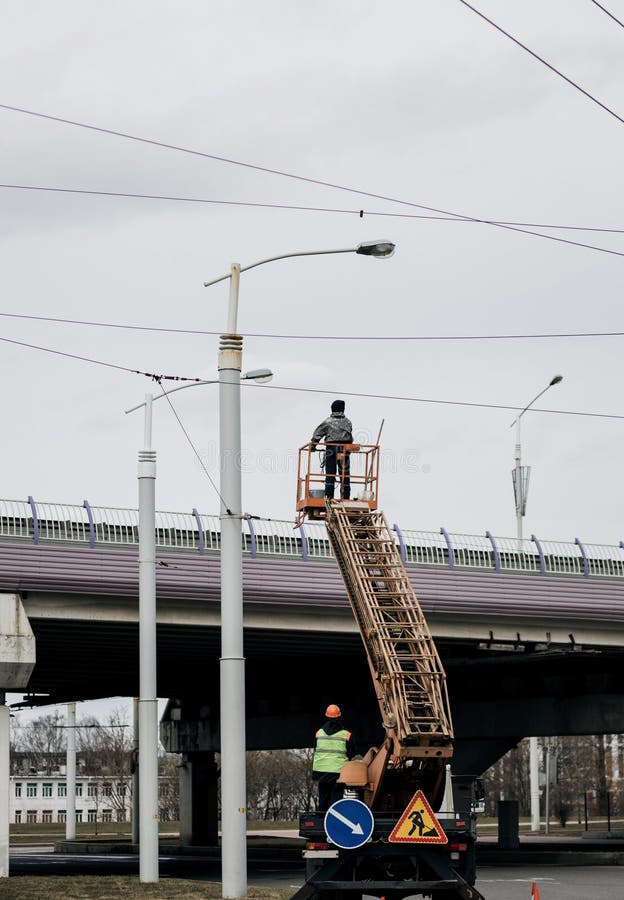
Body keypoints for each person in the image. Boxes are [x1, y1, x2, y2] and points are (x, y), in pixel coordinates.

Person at [312, 703, 355, 812]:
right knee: (336, 800)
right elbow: (352, 753)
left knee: (323, 798)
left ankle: (321, 819)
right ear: (339, 716)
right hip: (338, 772)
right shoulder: (346, 735)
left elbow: (315, 749)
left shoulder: (318, 733)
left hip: (321, 771)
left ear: (326, 716)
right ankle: (334, 821)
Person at [311, 400, 353, 499]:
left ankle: (329, 497)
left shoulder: (328, 421)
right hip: (345, 449)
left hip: (331, 449)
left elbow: (317, 434)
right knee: (345, 474)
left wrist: (313, 446)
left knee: (330, 473)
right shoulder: (348, 422)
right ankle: (346, 497)